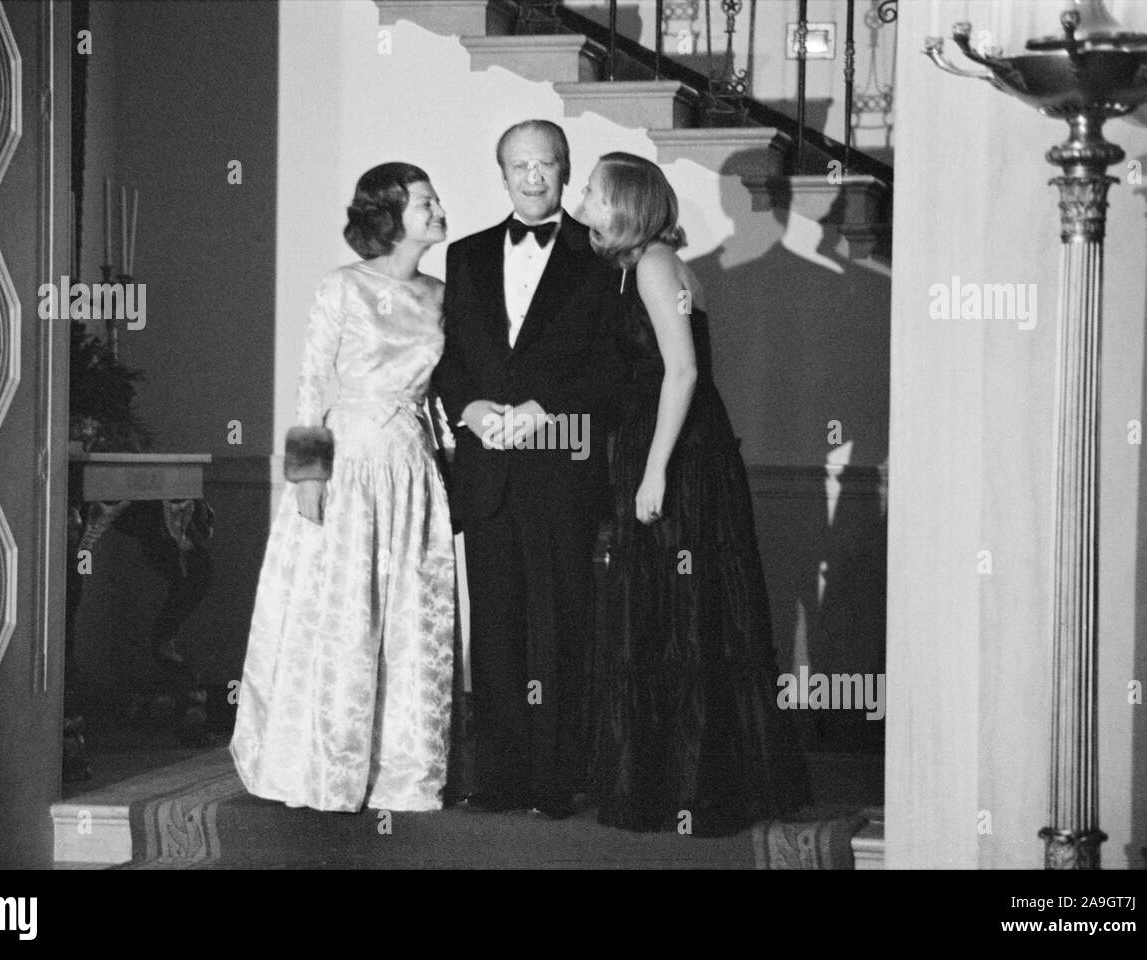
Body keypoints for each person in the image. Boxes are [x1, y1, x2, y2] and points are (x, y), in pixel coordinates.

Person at [580, 152, 810, 836]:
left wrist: (653, 471)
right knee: (682, 615)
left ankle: (683, 790)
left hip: (676, 454)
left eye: (592, 189)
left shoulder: (653, 265)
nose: (582, 196)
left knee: (680, 617)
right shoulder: (648, 264)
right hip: (678, 446)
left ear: (623, 201)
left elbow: (680, 372)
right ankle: (681, 783)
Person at [231, 163, 456, 812]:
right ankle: (325, 765)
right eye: (423, 201)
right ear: (389, 214)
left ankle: (403, 772)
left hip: (410, 468)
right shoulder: (342, 288)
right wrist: (306, 477)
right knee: (343, 615)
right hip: (348, 465)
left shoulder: (442, 296)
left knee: (410, 618)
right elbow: (311, 384)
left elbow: (440, 398)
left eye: (435, 198)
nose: (438, 209)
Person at [433, 120, 625, 818]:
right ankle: (502, 779)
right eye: (521, 165)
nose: (534, 177)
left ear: (566, 169)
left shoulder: (604, 257)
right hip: (488, 469)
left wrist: (550, 408)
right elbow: (449, 354)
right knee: (498, 626)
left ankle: (558, 781)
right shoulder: (466, 255)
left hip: (562, 466)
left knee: (565, 621)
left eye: (546, 164)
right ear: (502, 173)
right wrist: (470, 408)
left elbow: (616, 364)